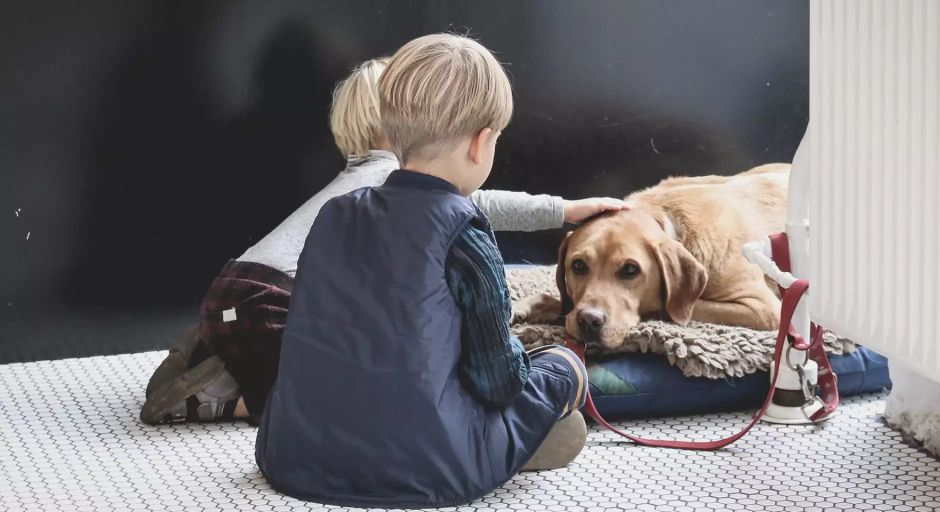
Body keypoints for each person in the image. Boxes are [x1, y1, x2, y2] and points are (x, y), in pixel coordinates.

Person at [140, 56, 625, 425]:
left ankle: (216, 356)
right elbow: (480, 203)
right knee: (315, 397)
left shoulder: (359, 179)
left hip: (238, 290)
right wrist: (564, 210)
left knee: (312, 359)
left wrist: (566, 211)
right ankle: (214, 400)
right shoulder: (392, 181)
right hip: (269, 299)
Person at [254, 33, 600, 508]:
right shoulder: (464, 232)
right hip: (427, 466)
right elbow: (498, 381)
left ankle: (502, 442)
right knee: (562, 366)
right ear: (480, 143)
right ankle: (515, 441)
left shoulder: (334, 214)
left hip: (294, 452)